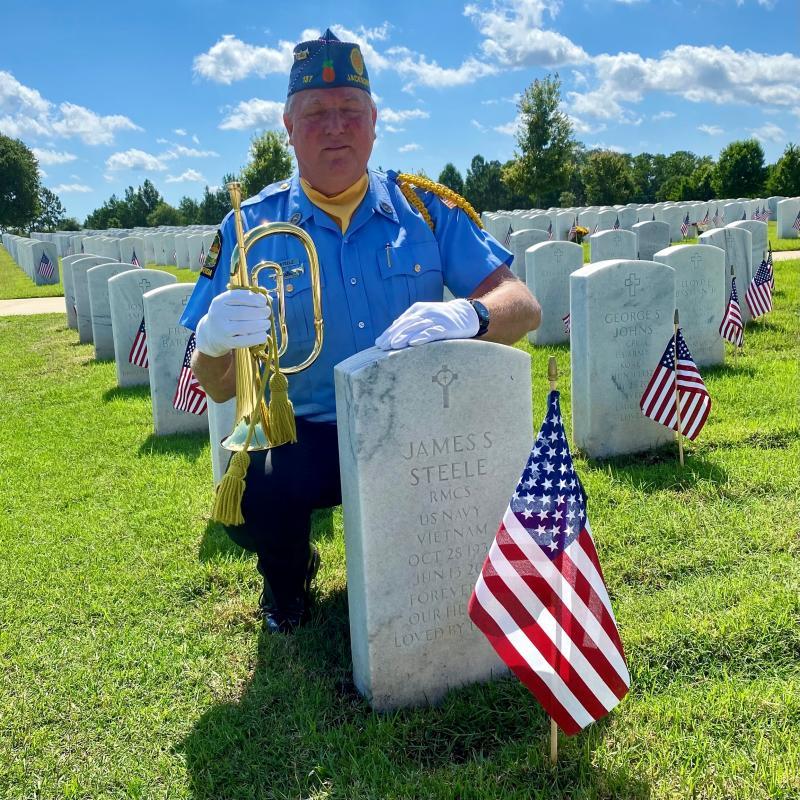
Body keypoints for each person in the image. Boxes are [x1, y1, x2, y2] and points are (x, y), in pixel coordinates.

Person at [180, 28, 541, 634]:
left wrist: (469, 315)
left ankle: (452, 574)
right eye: (316, 113)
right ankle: (288, 578)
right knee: (254, 493)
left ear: (374, 121)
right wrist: (214, 343)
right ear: (288, 127)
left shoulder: (426, 209)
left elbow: (522, 305)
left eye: (350, 111)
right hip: (312, 432)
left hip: (417, 424)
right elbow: (217, 388)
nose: (335, 127)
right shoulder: (249, 225)